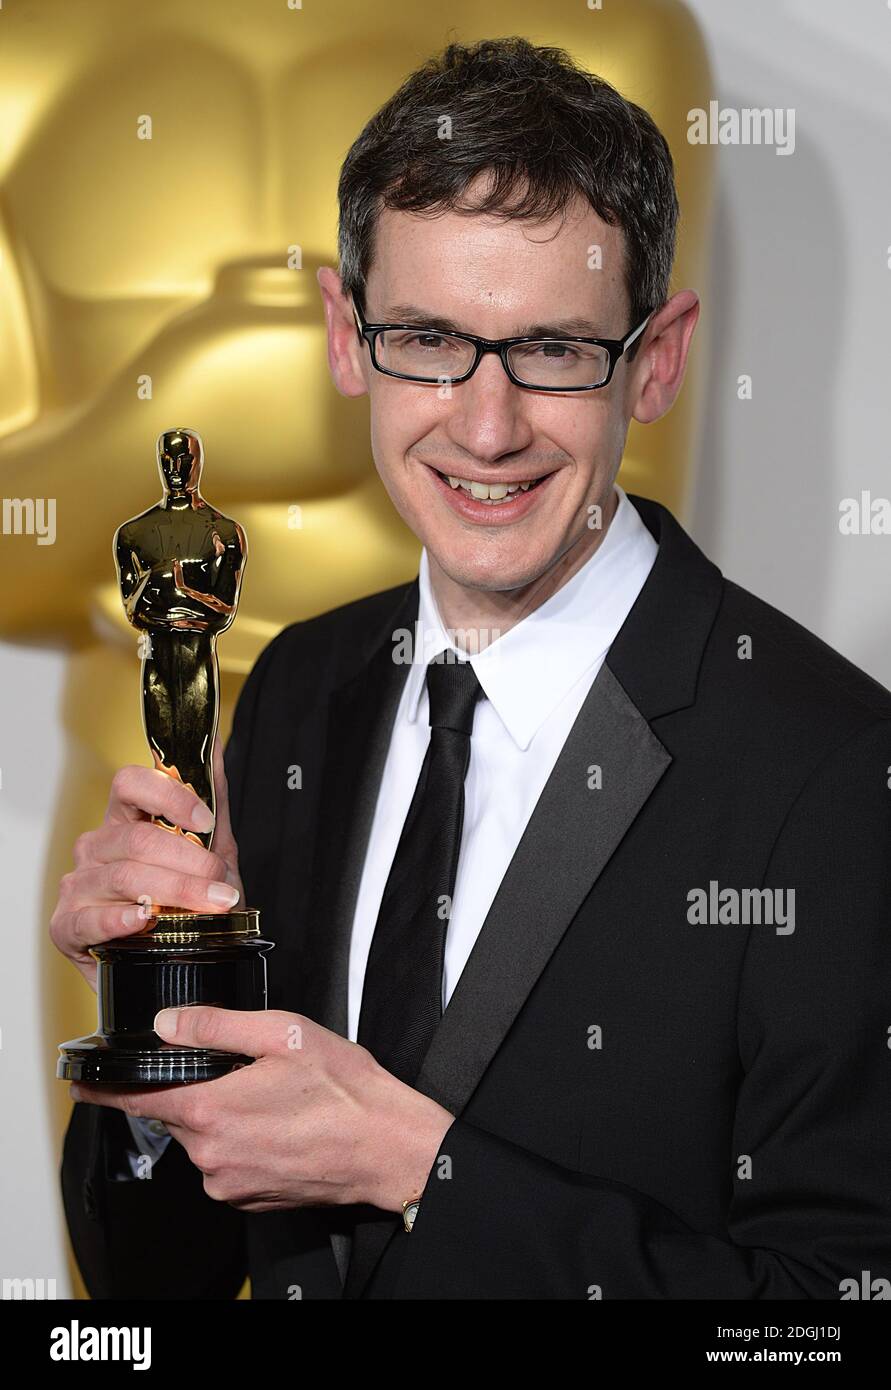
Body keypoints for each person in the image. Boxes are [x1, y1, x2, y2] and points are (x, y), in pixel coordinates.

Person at [55, 36, 891, 1300]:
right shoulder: (296, 687)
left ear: (654, 361)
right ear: (348, 337)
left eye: (553, 350)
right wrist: (155, 1043)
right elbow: (159, 1280)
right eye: (429, 340)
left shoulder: (832, 771)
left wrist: (418, 1169)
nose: (486, 426)